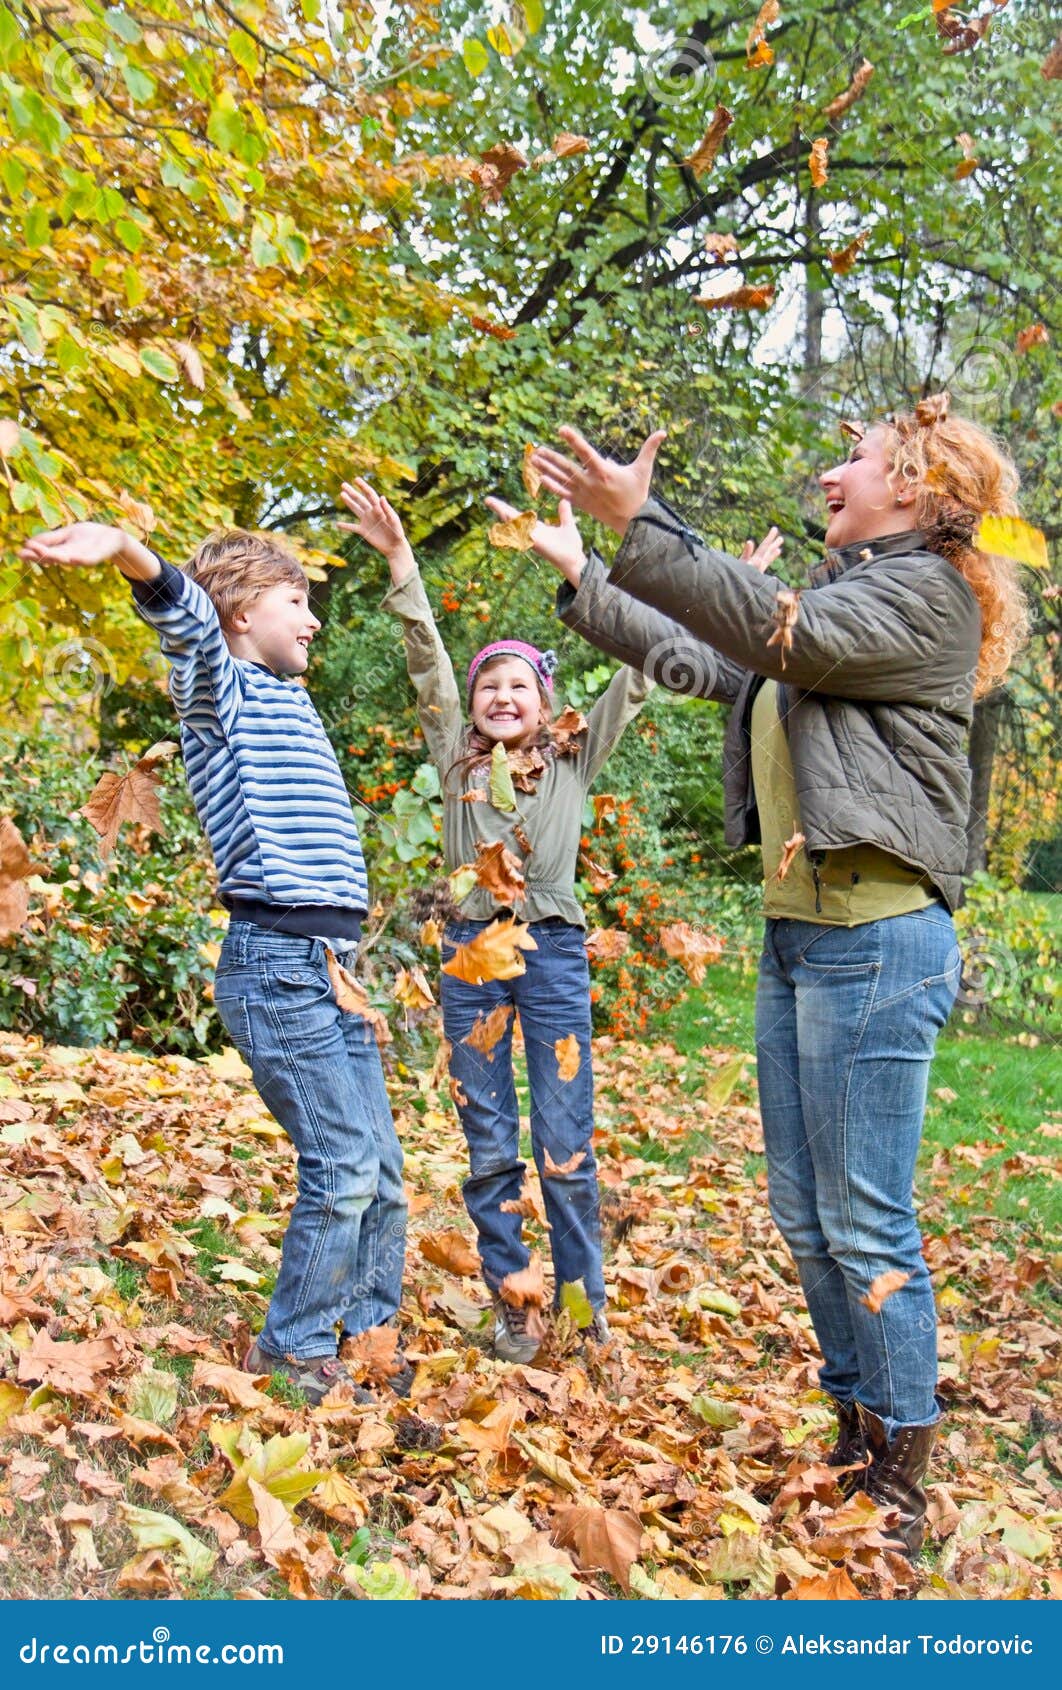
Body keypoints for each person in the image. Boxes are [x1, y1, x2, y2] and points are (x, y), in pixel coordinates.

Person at [514, 396, 1028, 1555]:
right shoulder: (844, 600)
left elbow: (781, 631)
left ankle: (899, 1459)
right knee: (806, 1213)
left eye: (857, 459)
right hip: (802, 932)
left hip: (878, 935)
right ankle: (855, 1425)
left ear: (920, 489)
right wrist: (591, 577)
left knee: (863, 1214)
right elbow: (716, 656)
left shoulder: (924, 596)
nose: (831, 474)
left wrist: (648, 519)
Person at [20, 520, 408, 1406]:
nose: (313, 620)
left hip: (331, 966)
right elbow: (185, 622)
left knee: (382, 1172)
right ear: (239, 611)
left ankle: (367, 1336)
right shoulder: (220, 690)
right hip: (277, 963)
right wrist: (128, 550)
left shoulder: (287, 695)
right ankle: (295, 1350)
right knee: (343, 1164)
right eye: (297, 601)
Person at [338, 476, 655, 1364]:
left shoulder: (571, 758)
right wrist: (402, 560)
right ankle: (514, 1299)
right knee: (488, 1137)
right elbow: (427, 659)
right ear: (473, 706)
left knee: (564, 1143)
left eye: (518, 684)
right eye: (490, 687)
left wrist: (692, 604)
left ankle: (586, 1308)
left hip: (552, 954)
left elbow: (635, 678)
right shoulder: (456, 762)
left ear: (544, 698)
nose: (501, 697)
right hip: (472, 955)